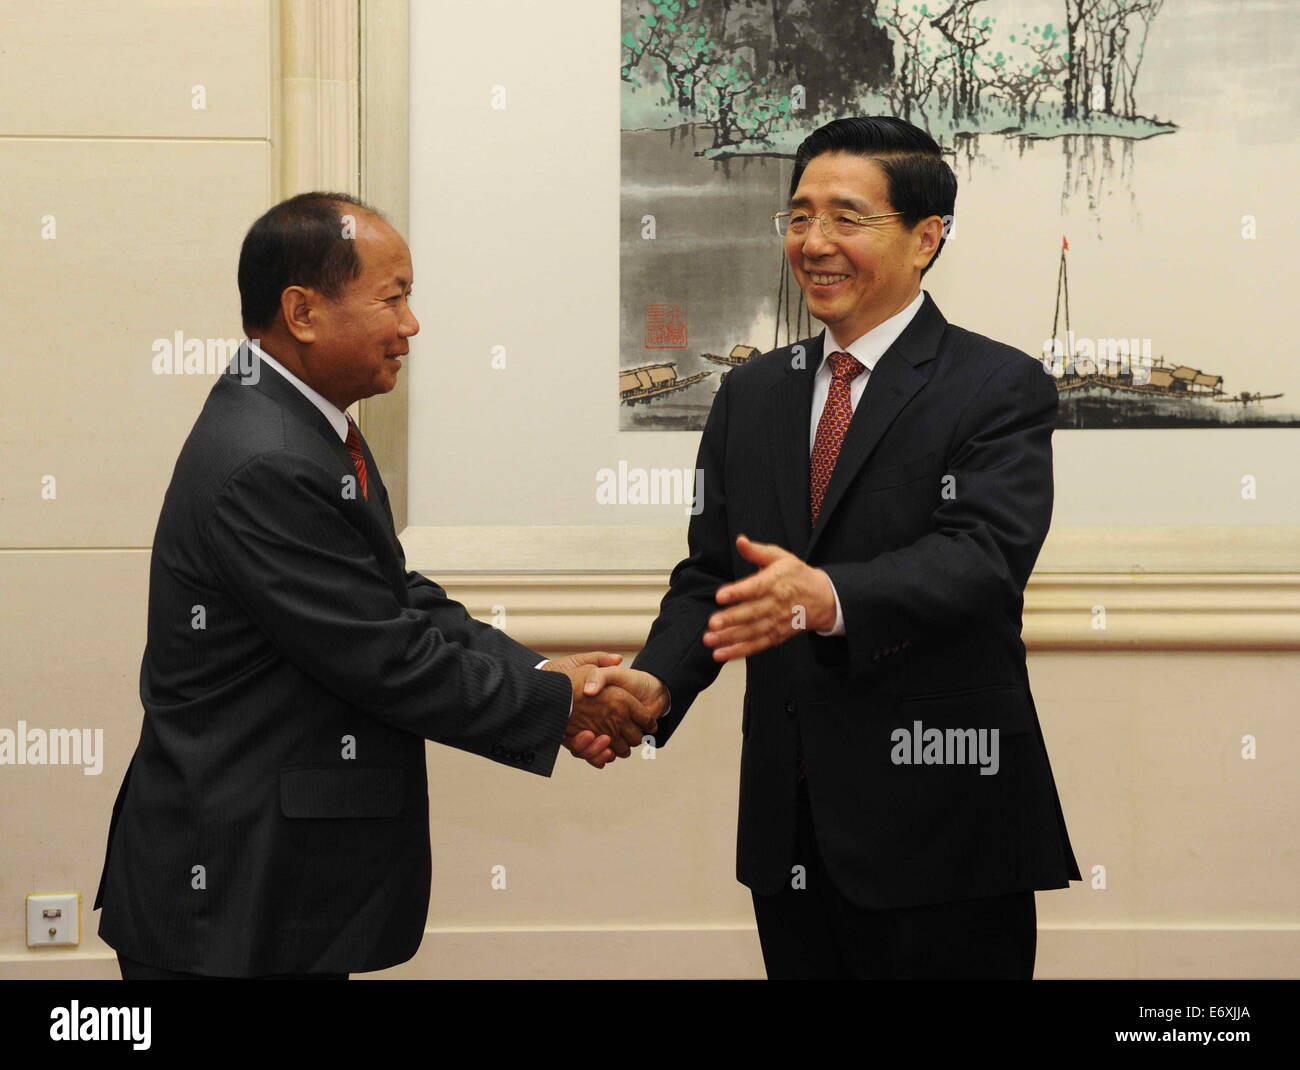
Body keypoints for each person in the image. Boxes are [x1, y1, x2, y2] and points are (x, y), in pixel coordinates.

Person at [94, 192, 653, 979]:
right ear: (303, 312)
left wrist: (539, 675)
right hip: (233, 892)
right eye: (392, 298)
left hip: (266, 883)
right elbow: (385, 656)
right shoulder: (271, 458)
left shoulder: (302, 423)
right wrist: (562, 703)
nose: (410, 325)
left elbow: (394, 595)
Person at [583, 116, 1081, 979]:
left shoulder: (997, 386)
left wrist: (826, 596)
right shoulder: (751, 395)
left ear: (927, 238)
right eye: (799, 216)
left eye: (848, 218)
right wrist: (653, 683)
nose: (814, 242)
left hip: (944, 824)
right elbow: (713, 575)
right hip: (790, 826)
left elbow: (982, 559)